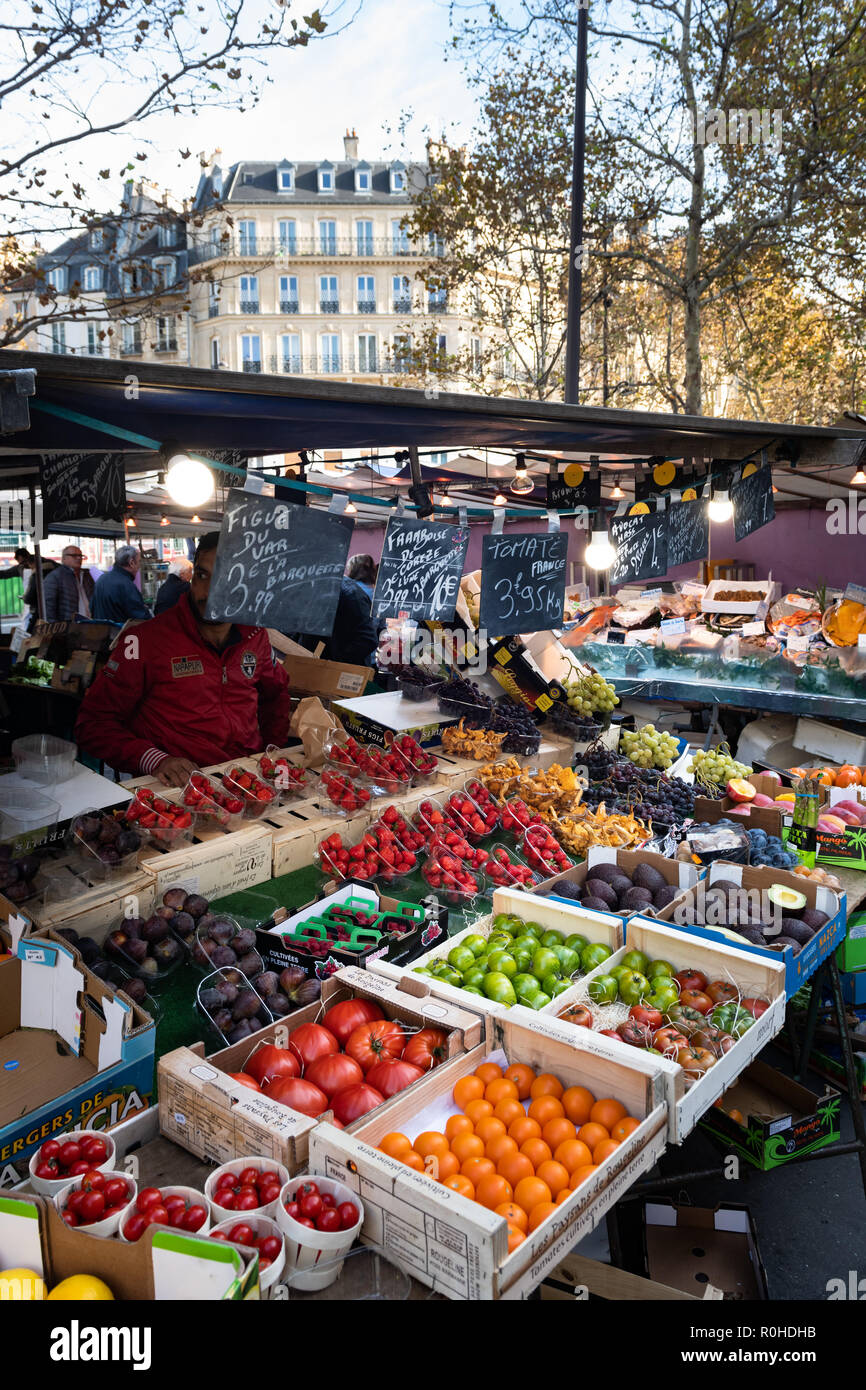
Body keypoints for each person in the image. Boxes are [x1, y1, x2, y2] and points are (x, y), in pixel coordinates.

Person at [75, 531, 291, 786]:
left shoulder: (256, 636)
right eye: (202, 575)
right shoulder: (144, 640)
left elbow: (275, 696)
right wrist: (154, 760)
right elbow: (93, 724)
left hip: (246, 784)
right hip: (176, 794)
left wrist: (271, 753)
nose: (209, 592)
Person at [292, 576, 379, 667]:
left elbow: (367, 640)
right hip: (308, 665)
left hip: (339, 672)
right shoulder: (309, 589)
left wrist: (333, 663)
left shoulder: (351, 594)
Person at [91, 544, 151, 624]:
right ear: (132, 563)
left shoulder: (102, 579)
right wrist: (144, 610)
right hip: (119, 633)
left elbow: (92, 607)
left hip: (101, 632)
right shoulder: (126, 585)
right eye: (139, 561)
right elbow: (141, 617)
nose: (140, 566)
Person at [42, 545, 96, 621]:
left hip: (90, 623)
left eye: (80, 555)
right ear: (63, 559)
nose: (79, 558)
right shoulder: (55, 577)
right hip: (69, 626)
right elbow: (49, 607)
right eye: (74, 555)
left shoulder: (86, 575)